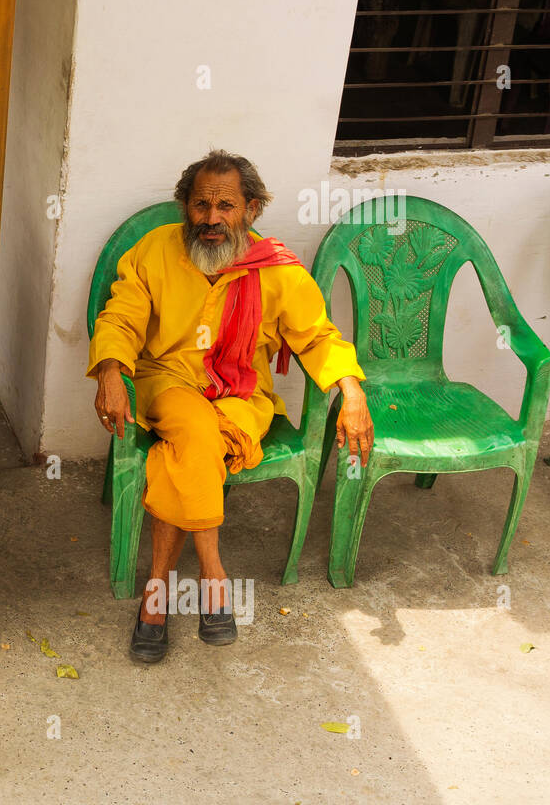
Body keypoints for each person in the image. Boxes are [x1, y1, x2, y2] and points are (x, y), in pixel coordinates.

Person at [88, 150, 375, 664]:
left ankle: (157, 590)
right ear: (186, 207)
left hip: (242, 394)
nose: (212, 218)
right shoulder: (154, 251)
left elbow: (316, 336)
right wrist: (111, 368)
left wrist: (351, 391)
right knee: (196, 431)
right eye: (200, 205)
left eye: (226, 206)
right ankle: (213, 573)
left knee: (186, 455)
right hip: (169, 382)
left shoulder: (277, 270)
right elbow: (121, 316)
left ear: (252, 209)